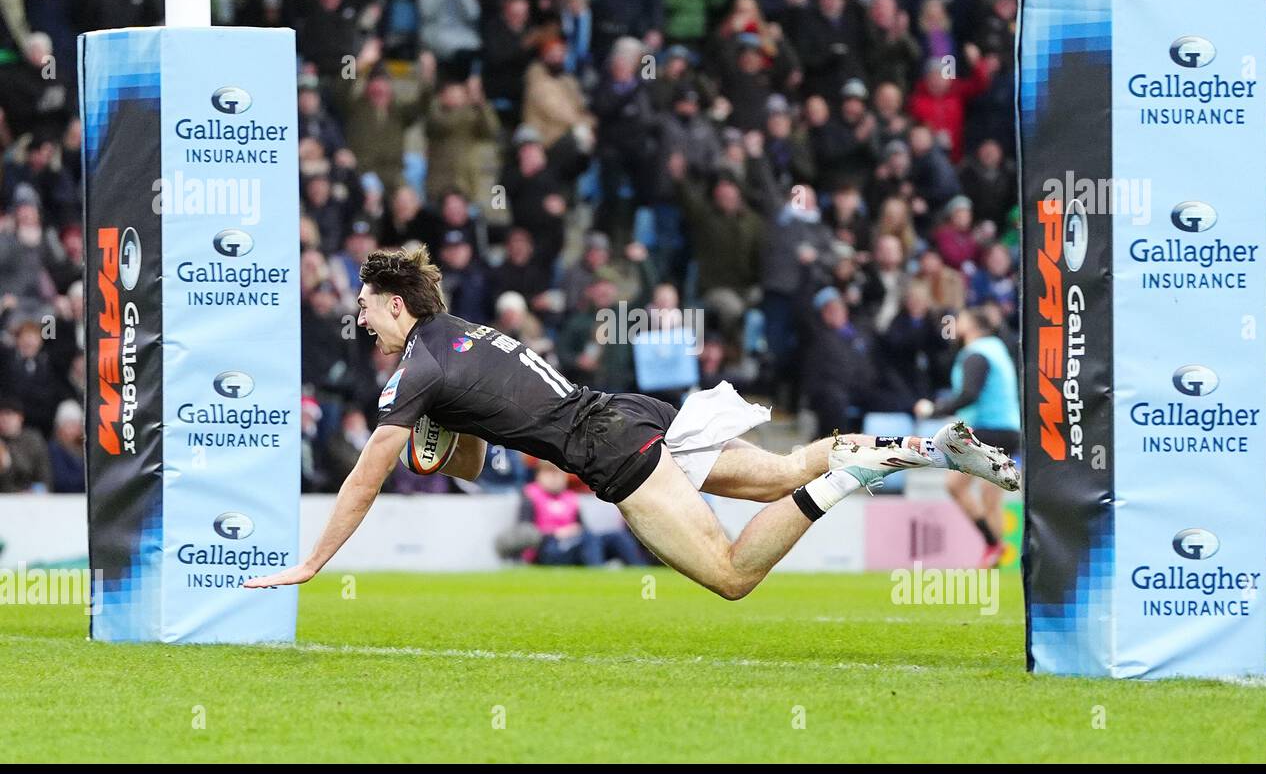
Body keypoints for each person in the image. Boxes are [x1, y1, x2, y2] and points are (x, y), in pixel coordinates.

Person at [247, 246, 1019, 600]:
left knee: (729, 575)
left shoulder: (419, 366)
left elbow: (362, 475)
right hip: (629, 411)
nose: (360, 322)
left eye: (363, 309)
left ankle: (858, 473)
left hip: (610, 446)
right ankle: (924, 448)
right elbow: (477, 464)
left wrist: (313, 561)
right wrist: (439, 452)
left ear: (393, 303)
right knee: (785, 473)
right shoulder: (461, 336)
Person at [914, 306, 1020, 568]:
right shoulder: (997, 350)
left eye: (960, 320)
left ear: (973, 326)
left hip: (986, 429)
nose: (955, 324)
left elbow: (969, 394)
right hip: (1008, 429)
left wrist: (934, 410)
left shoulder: (977, 354)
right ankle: (995, 559)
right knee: (990, 497)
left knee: (955, 485)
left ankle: (992, 544)